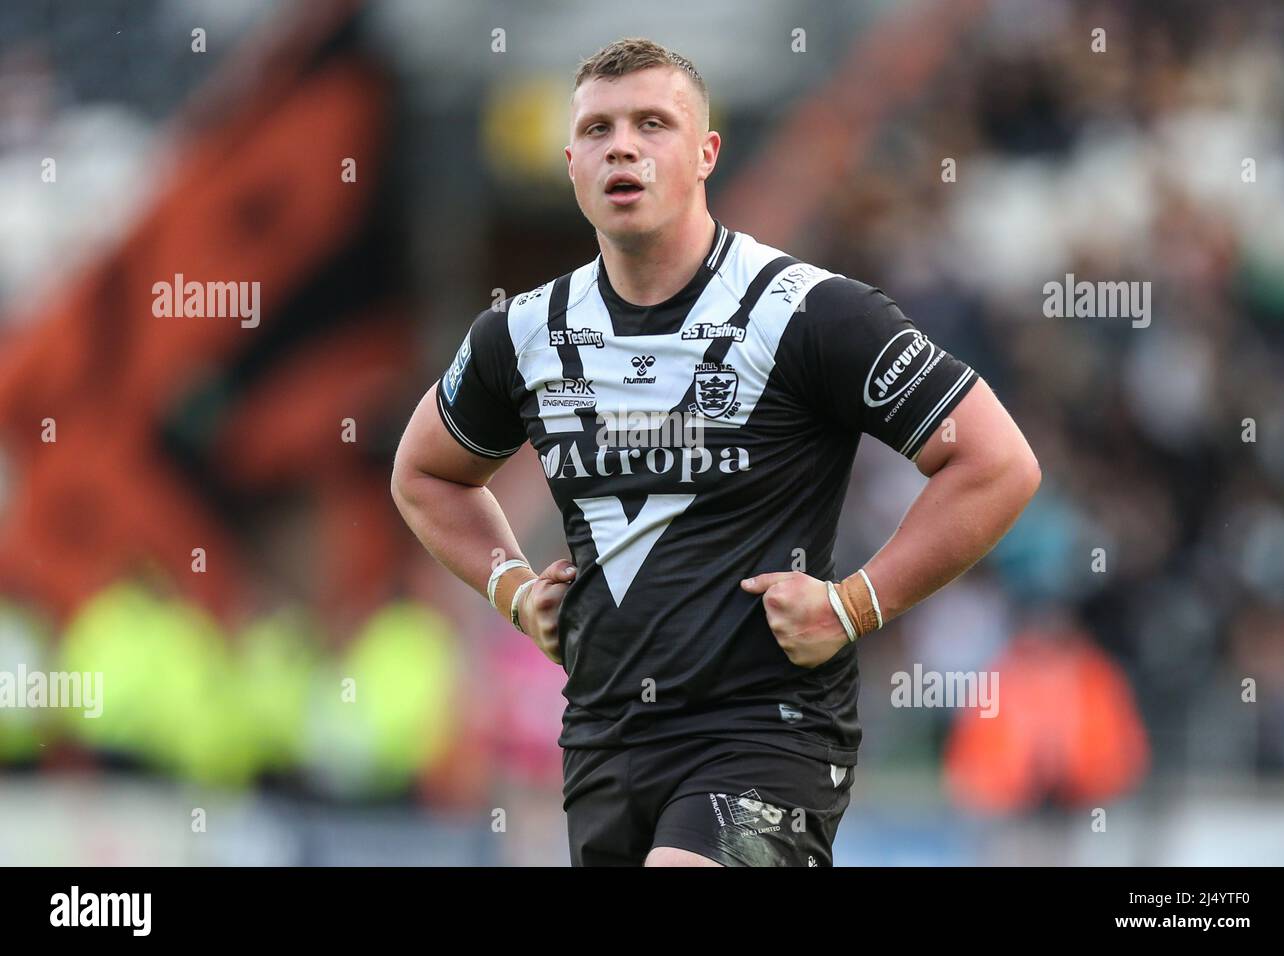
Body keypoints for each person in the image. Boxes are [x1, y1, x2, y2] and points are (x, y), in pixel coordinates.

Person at [391, 37, 1040, 867]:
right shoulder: (522, 336)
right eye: (597, 130)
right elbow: (426, 475)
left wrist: (854, 606)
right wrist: (512, 589)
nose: (621, 145)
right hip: (605, 736)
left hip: (765, 732)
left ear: (706, 155)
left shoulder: (807, 313)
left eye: (652, 124)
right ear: (570, 164)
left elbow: (996, 464)